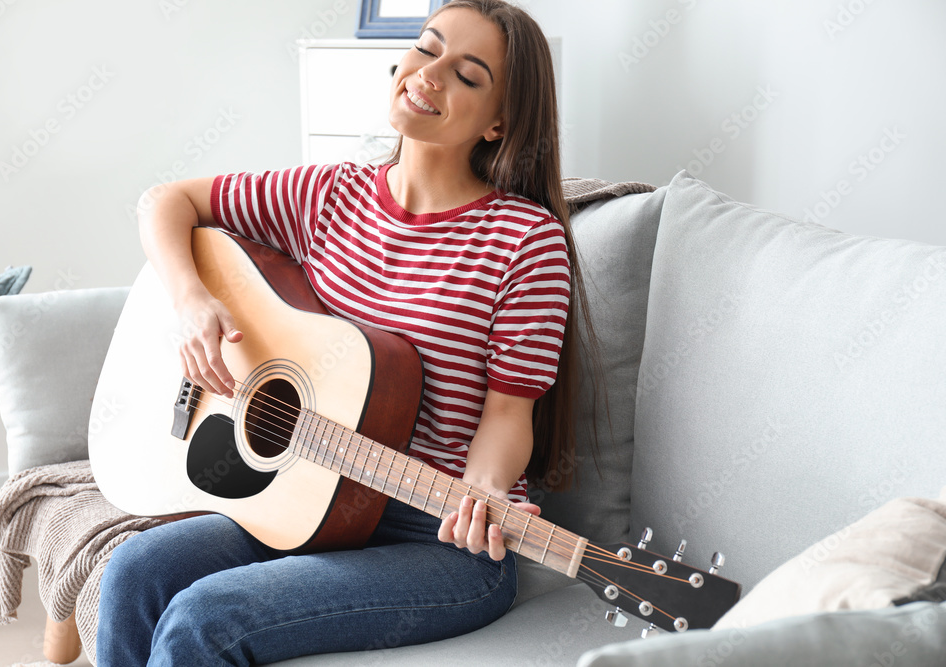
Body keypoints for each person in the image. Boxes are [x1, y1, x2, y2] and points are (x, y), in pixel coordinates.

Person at [97, 1, 594, 664]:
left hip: (435, 540)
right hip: (311, 500)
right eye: (428, 47)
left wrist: (480, 495)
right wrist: (193, 305)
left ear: (499, 122)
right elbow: (166, 202)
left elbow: (509, 412)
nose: (431, 73)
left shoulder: (525, 241)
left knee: (202, 618)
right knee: (133, 573)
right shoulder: (329, 194)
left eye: (468, 74)